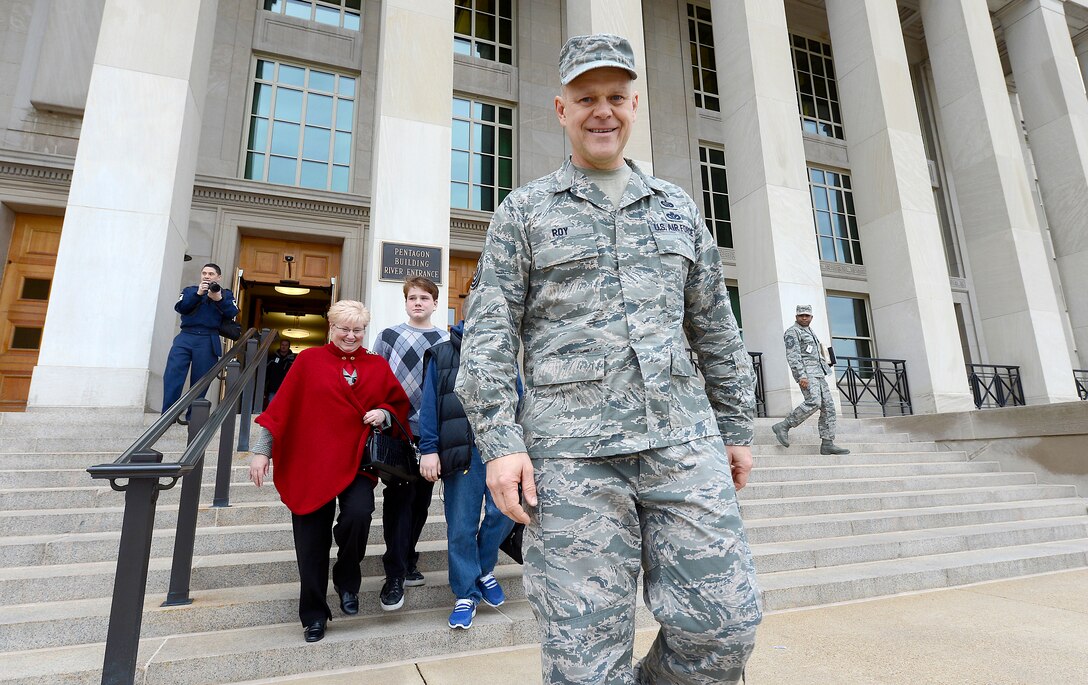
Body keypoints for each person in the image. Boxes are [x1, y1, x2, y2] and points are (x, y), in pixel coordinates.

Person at [455, 33, 762, 685]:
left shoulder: (677, 207)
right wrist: (500, 442)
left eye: (616, 97)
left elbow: (714, 325)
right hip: (572, 460)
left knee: (725, 627)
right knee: (584, 658)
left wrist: (736, 427)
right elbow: (486, 332)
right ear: (561, 109)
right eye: (586, 96)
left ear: (634, 105)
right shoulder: (525, 212)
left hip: (683, 443)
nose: (603, 110)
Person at [247, 300, 411, 643]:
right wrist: (262, 452)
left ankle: (347, 578)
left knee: (358, 514)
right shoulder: (308, 361)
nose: (351, 336)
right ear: (330, 328)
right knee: (310, 540)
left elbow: (397, 404)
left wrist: (383, 412)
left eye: (357, 330)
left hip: (356, 462)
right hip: (310, 462)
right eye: (344, 329)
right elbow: (281, 410)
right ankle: (314, 615)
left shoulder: (377, 365)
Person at [417, 320, 516, 630]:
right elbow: (430, 406)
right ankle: (466, 594)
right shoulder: (441, 354)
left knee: (505, 513)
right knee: (461, 526)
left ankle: (482, 569)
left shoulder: (502, 352)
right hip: (461, 453)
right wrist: (428, 449)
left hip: (499, 449)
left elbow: (518, 400)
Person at [370, 276, 449, 611]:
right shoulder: (389, 336)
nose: (418, 303)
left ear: (434, 302)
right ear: (406, 302)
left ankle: (408, 555)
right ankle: (396, 570)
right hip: (397, 429)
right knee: (400, 499)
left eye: (424, 298)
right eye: (412, 298)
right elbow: (376, 377)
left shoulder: (445, 340)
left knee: (421, 502)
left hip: (431, 433)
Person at [162, 263, 238, 424]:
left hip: (207, 338)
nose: (207, 276)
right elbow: (181, 308)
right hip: (186, 336)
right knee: (173, 374)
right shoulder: (190, 290)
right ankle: (168, 415)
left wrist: (219, 299)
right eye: (204, 273)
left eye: (211, 273)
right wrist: (198, 293)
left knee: (201, 380)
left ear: (218, 277)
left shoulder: (225, 294)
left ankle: (193, 417)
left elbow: (233, 312)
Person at [772, 305, 850, 455]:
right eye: (801, 315)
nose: (804, 318)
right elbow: (793, 356)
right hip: (807, 374)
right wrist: (801, 375)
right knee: (814, 401)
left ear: (811, 317)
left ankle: (827, 443)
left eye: (807, 315)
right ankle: (784, 425)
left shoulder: (810, 331)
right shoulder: (792, 332)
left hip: (819, 373)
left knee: (829, 407)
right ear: (796, 317)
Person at [264, 338, 296, 407]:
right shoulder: (273, 358)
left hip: (287, 389)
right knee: (271, 407)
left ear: (288, 346)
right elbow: (266, 372)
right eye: (282, 345)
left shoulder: (293, 360)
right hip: (273, 388)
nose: (284, 347)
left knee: (284, 407)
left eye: (286, 345)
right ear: (280, 345)